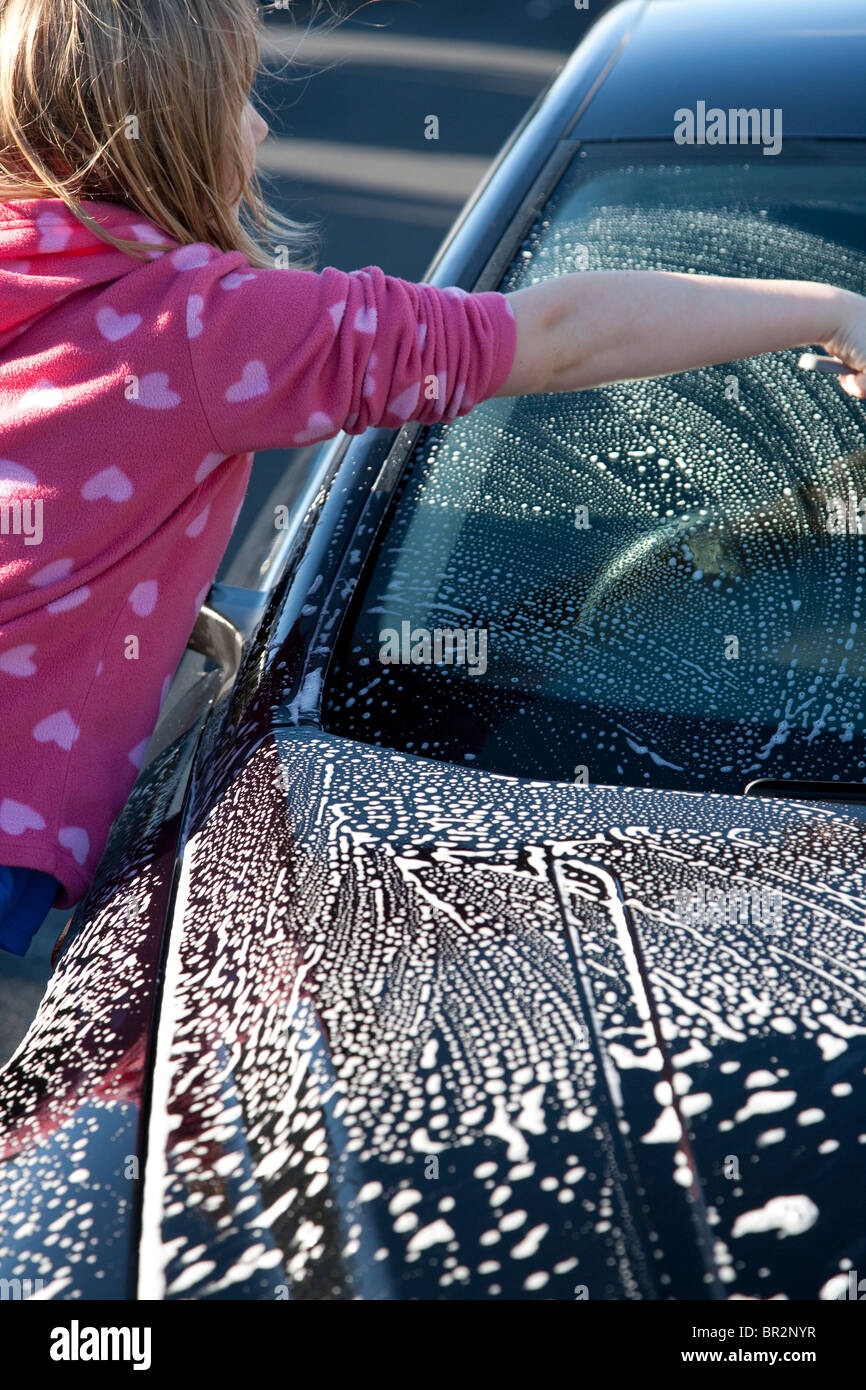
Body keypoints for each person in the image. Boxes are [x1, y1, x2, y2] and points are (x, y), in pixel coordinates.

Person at [2, 0, 866, 957]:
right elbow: (558, 335)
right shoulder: (204, 332)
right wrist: (830, 308)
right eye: (240, 95)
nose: (260, 125)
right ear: (179, 124)